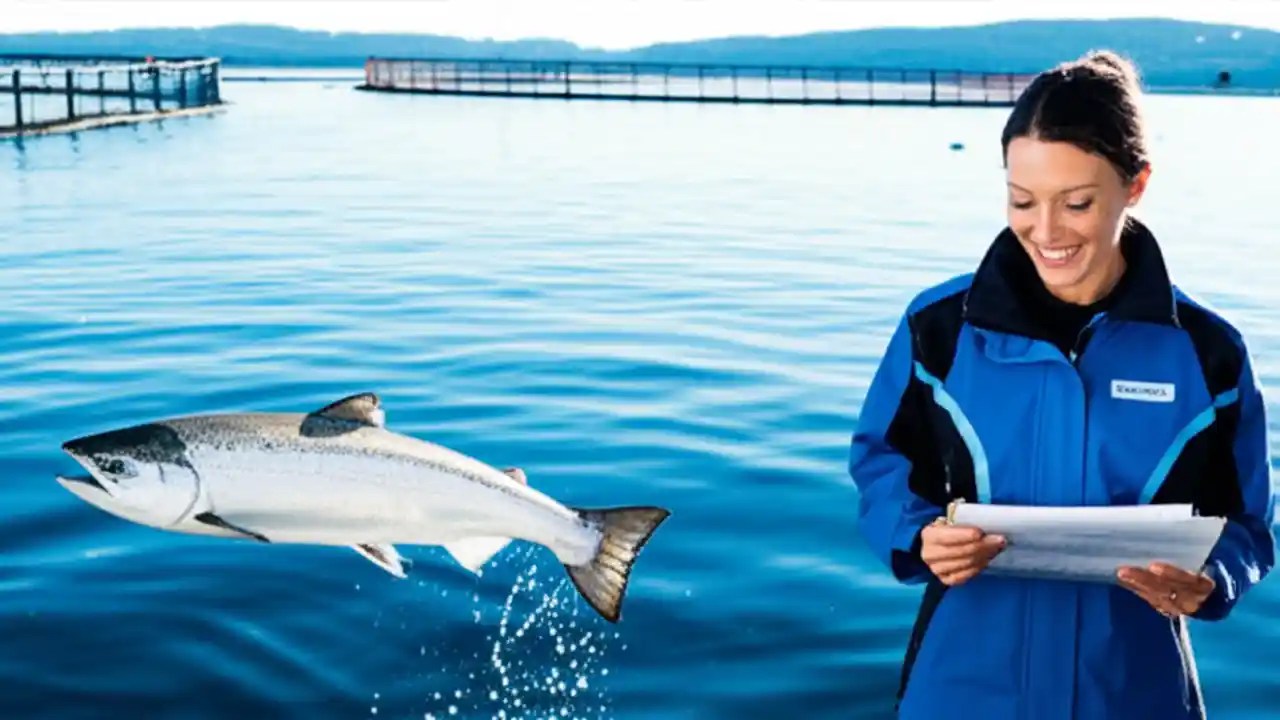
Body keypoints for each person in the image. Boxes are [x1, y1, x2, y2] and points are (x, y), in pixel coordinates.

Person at [847, 49, 1275, 719]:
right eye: (1022, 201)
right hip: (961, 694)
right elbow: (880, 462)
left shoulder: (1206, 354)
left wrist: (1212, 578)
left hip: (1134, 696)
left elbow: (1247, 526)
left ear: (1136, 185)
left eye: (1077, 203)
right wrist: (917, 532)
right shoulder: (938, 330)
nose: (1044, 232)